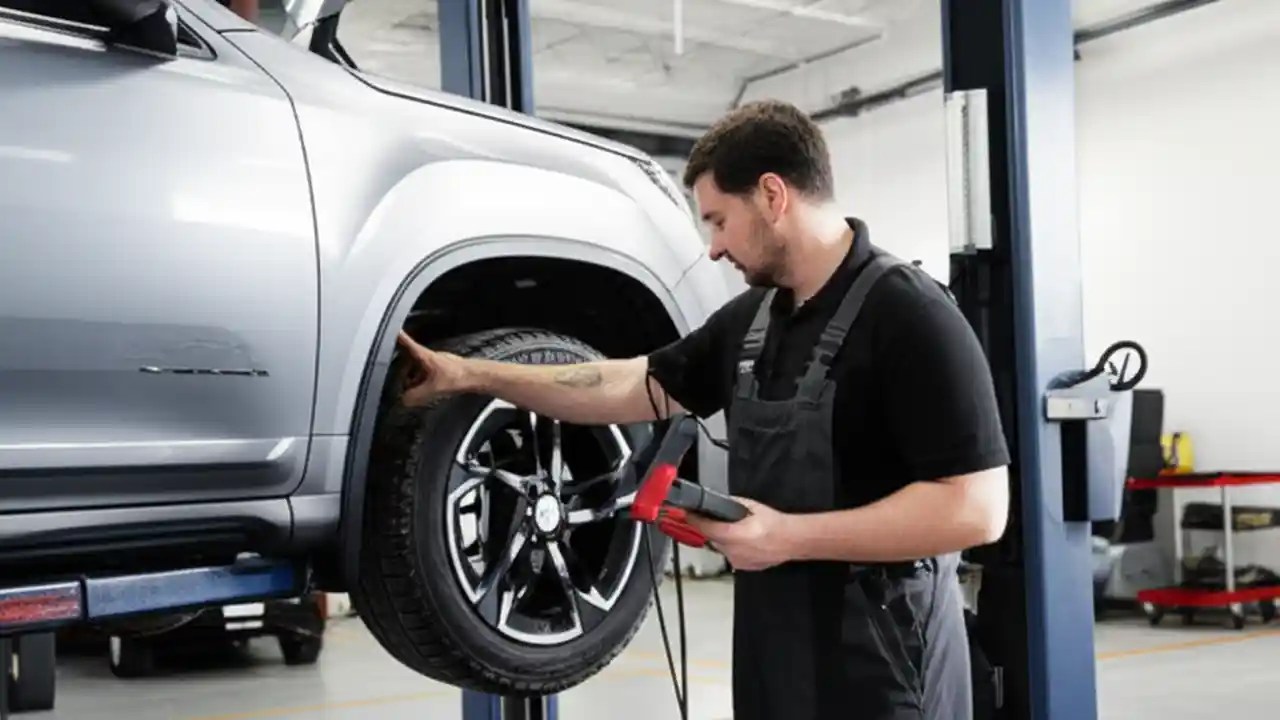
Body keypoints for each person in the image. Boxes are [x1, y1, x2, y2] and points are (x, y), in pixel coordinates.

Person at [395, 100, 1011, 720]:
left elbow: (978, 509)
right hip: (778, 661)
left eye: (718, 221)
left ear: (773, 195)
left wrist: (787, 538)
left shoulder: (911, 315)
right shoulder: (752, 323)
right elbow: (628, 384)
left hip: (885, 667)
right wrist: (468, 373)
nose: (714, 249)